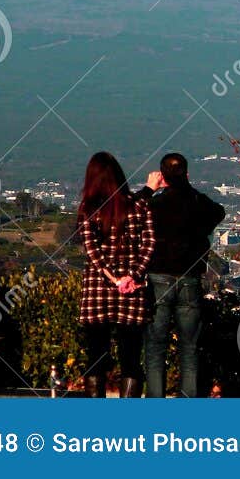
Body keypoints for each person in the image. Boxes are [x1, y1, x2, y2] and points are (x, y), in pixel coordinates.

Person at [137, 152, 225, 397]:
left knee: (155, 346)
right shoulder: (198, 202)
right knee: (189, 347)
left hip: (158, 277)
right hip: (190, 277)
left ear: (162, 177)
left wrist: (148, 189)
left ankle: (156, 399)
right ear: (186, 174)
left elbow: (130, 212)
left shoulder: (154, 205)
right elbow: (218, 212)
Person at [77, 150, 155, 397]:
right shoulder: (139, 206)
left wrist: (111, 277)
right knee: (131, 357)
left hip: (97, 288)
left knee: (96, 355)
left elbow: (91, 249)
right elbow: (149, 244)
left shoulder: (89, 209)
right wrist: (133, 275)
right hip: (132, 289)